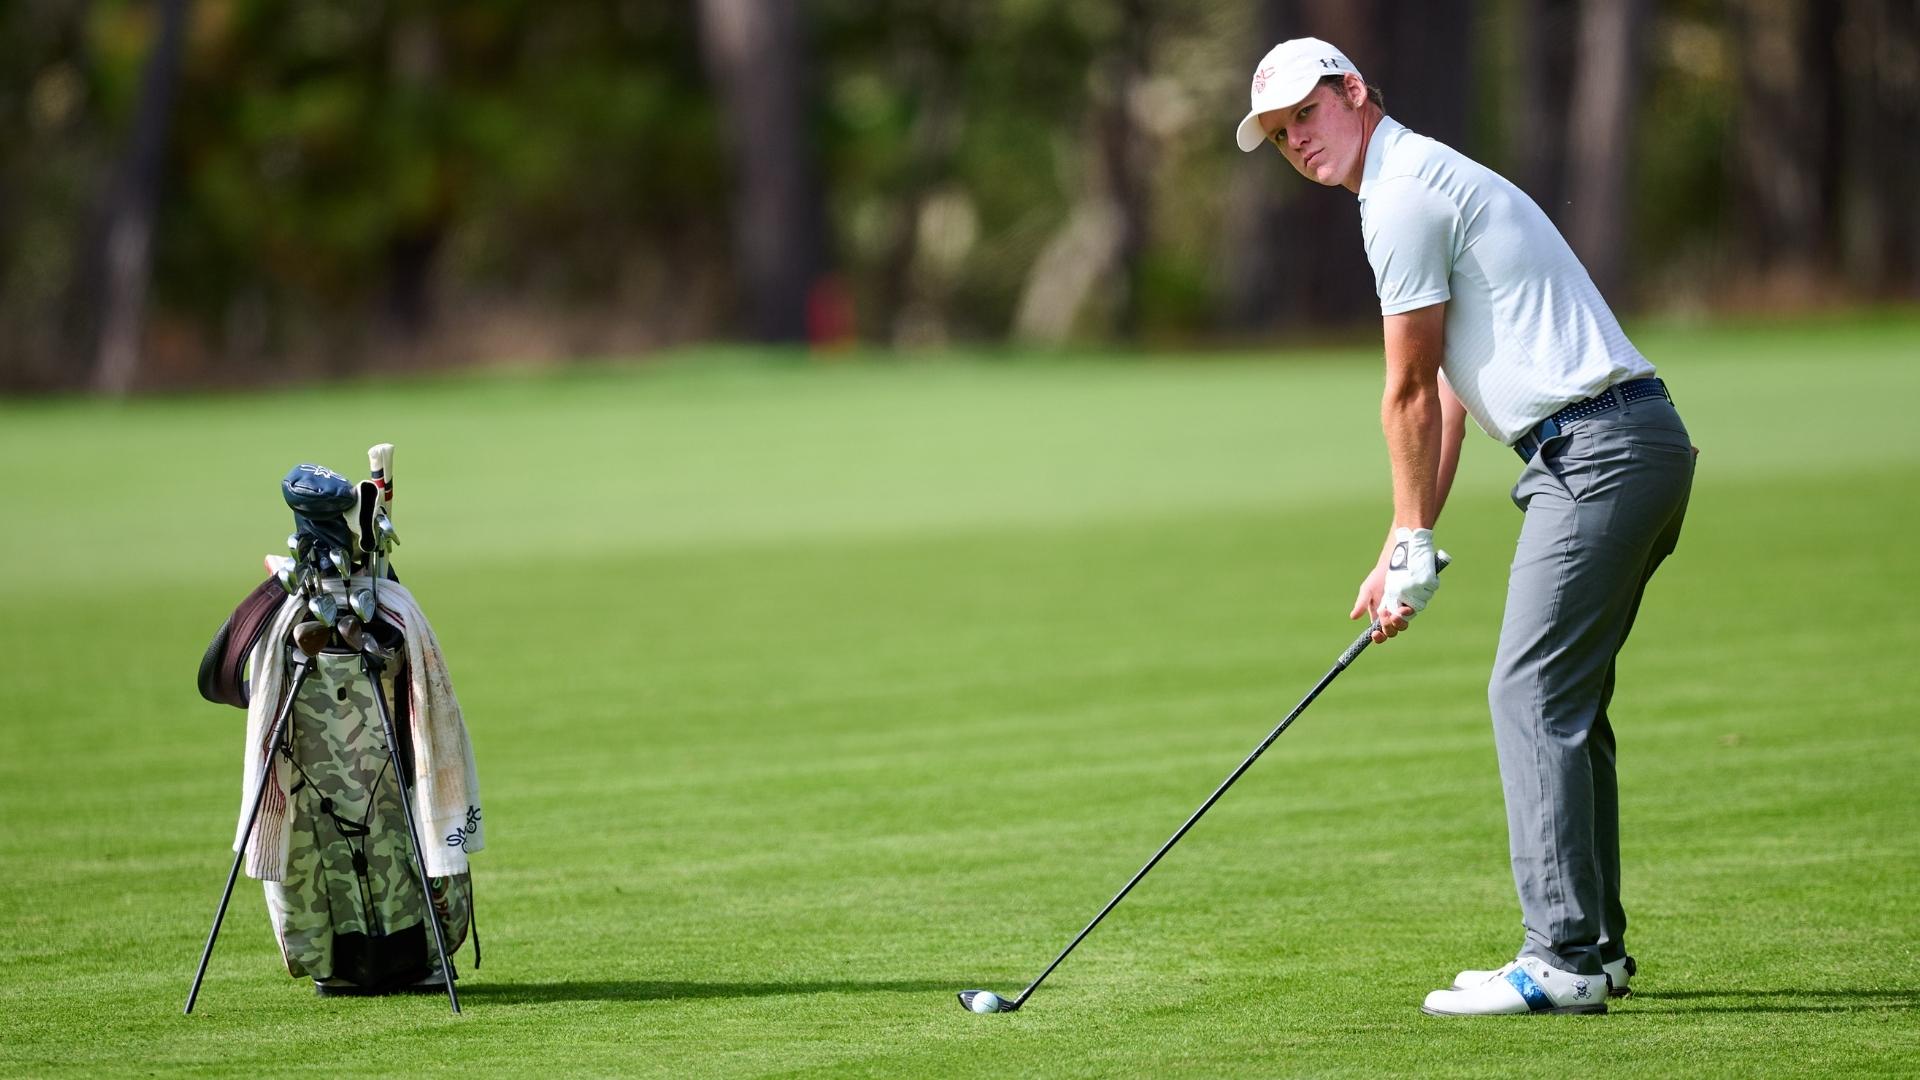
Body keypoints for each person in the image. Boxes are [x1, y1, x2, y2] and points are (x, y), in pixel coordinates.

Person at [1232, 38, 1694, 1016]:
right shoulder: (1419, 179)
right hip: (1628, 446)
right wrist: (1407, 541)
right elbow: (1445, 392)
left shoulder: (1401, 193)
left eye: (1306, 115)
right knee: (1567, 698)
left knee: (1529, 692)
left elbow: (1401, 387)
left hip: (1598, 453)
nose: (1298, 143)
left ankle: (1561, 957)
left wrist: (1410, 540)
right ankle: (1596, 947)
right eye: (1280, 136)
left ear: (1353, 91)